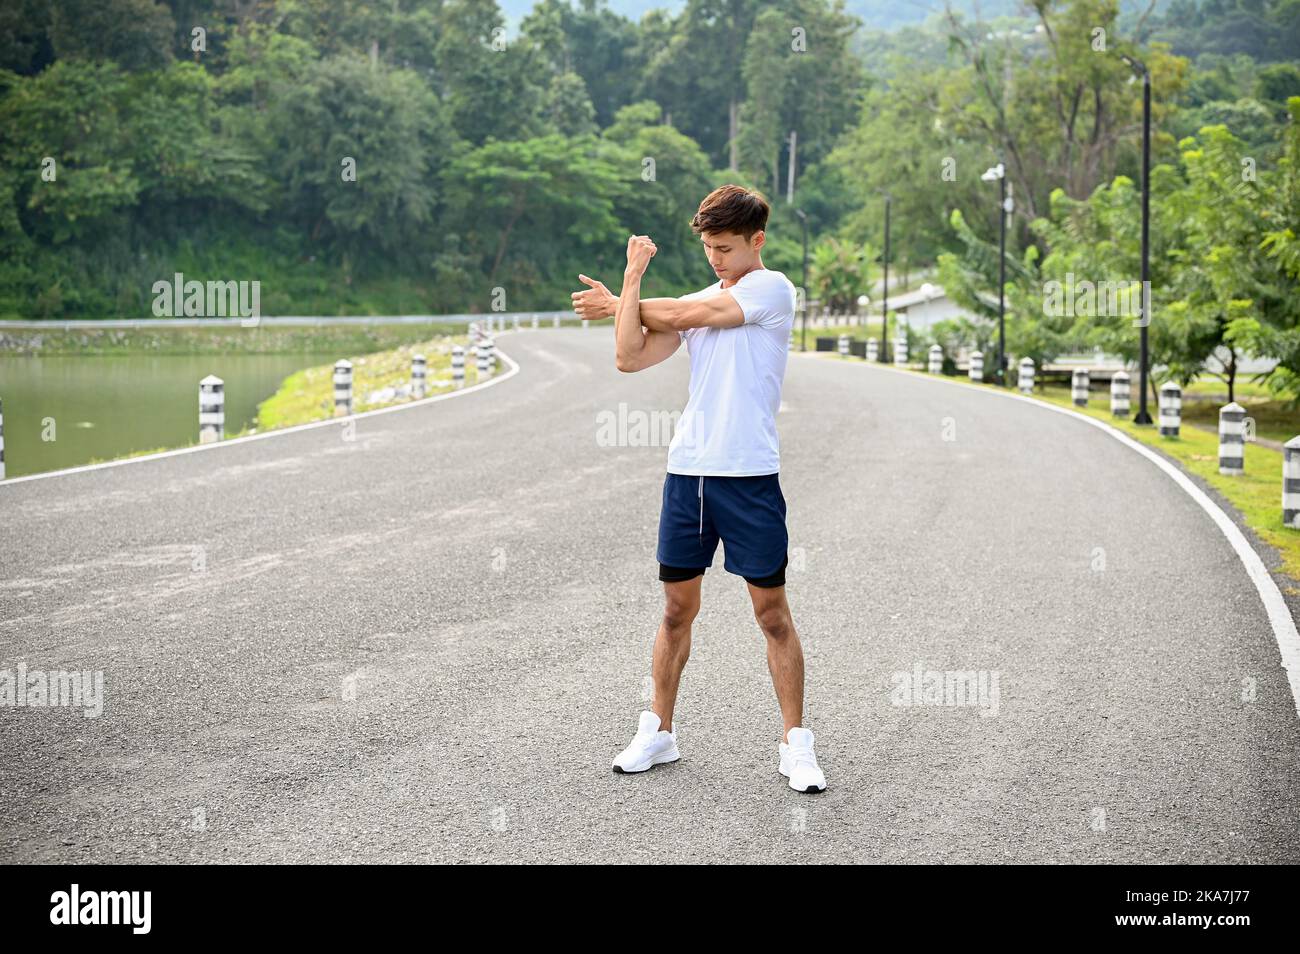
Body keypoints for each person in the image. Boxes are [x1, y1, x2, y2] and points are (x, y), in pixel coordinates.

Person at [571, 184, 827, 793]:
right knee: (676, 609)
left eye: (725, 247)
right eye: (708, 247)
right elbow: (629, 356)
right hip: (688, 474)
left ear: (755, 241)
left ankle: (795, 743)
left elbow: (687, 316)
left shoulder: (772, 289)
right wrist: (631, 282)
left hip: (749, 478)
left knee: (771, 614)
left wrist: (619, 301)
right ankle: (658, 729)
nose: (715, 258)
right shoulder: (697, 296)